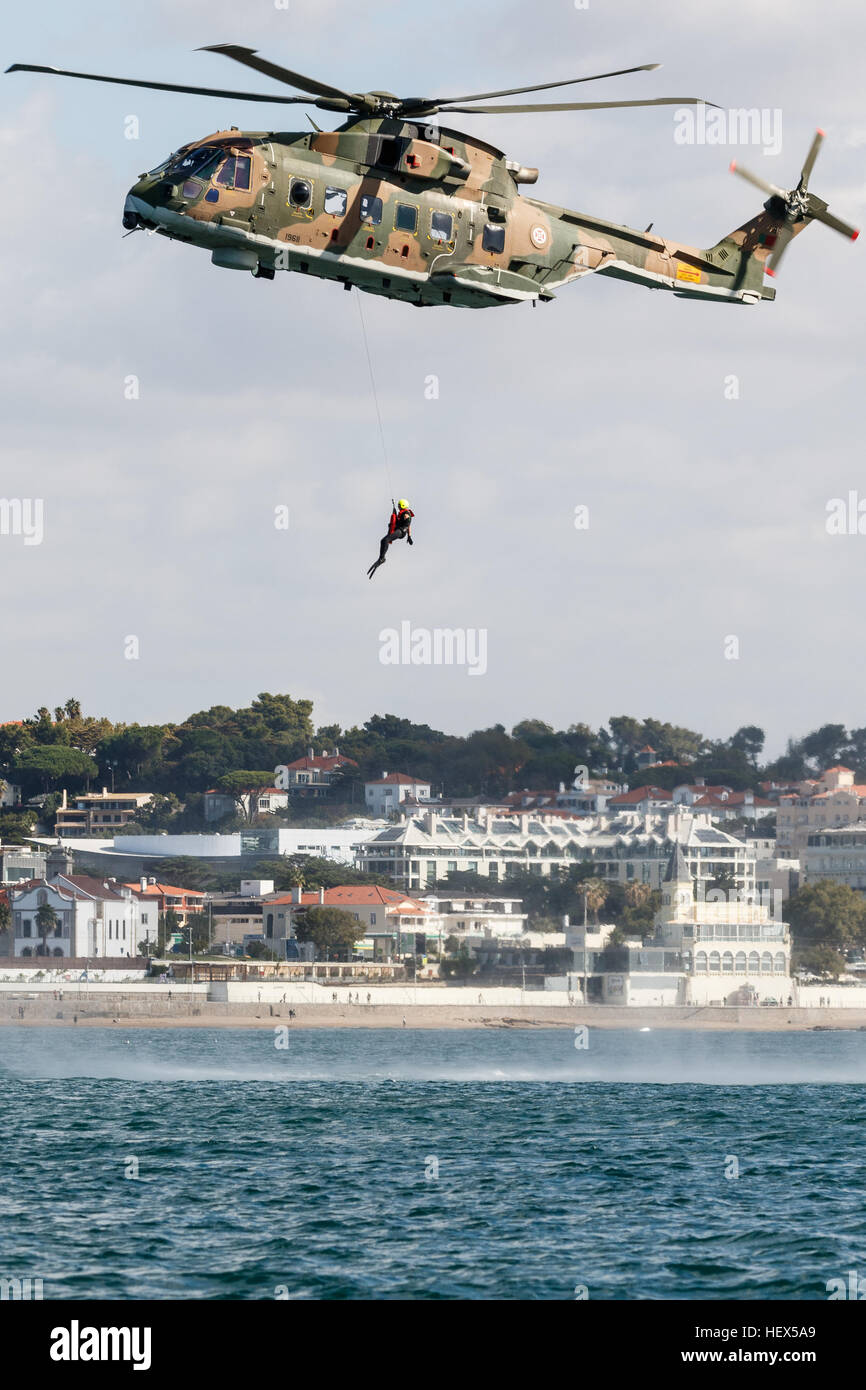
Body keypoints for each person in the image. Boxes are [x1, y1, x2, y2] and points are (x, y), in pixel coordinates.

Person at [367, 499, 414, 579]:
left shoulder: (407, 514)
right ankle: (381, 558)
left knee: (386, 540)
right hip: (398, 529)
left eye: (399, 505)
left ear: (402, 505)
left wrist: (409, 536)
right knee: (383, 540)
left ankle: (382, 559)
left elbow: (408, 525)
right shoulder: (403, 513)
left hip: (401, 531)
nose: (398, 506)